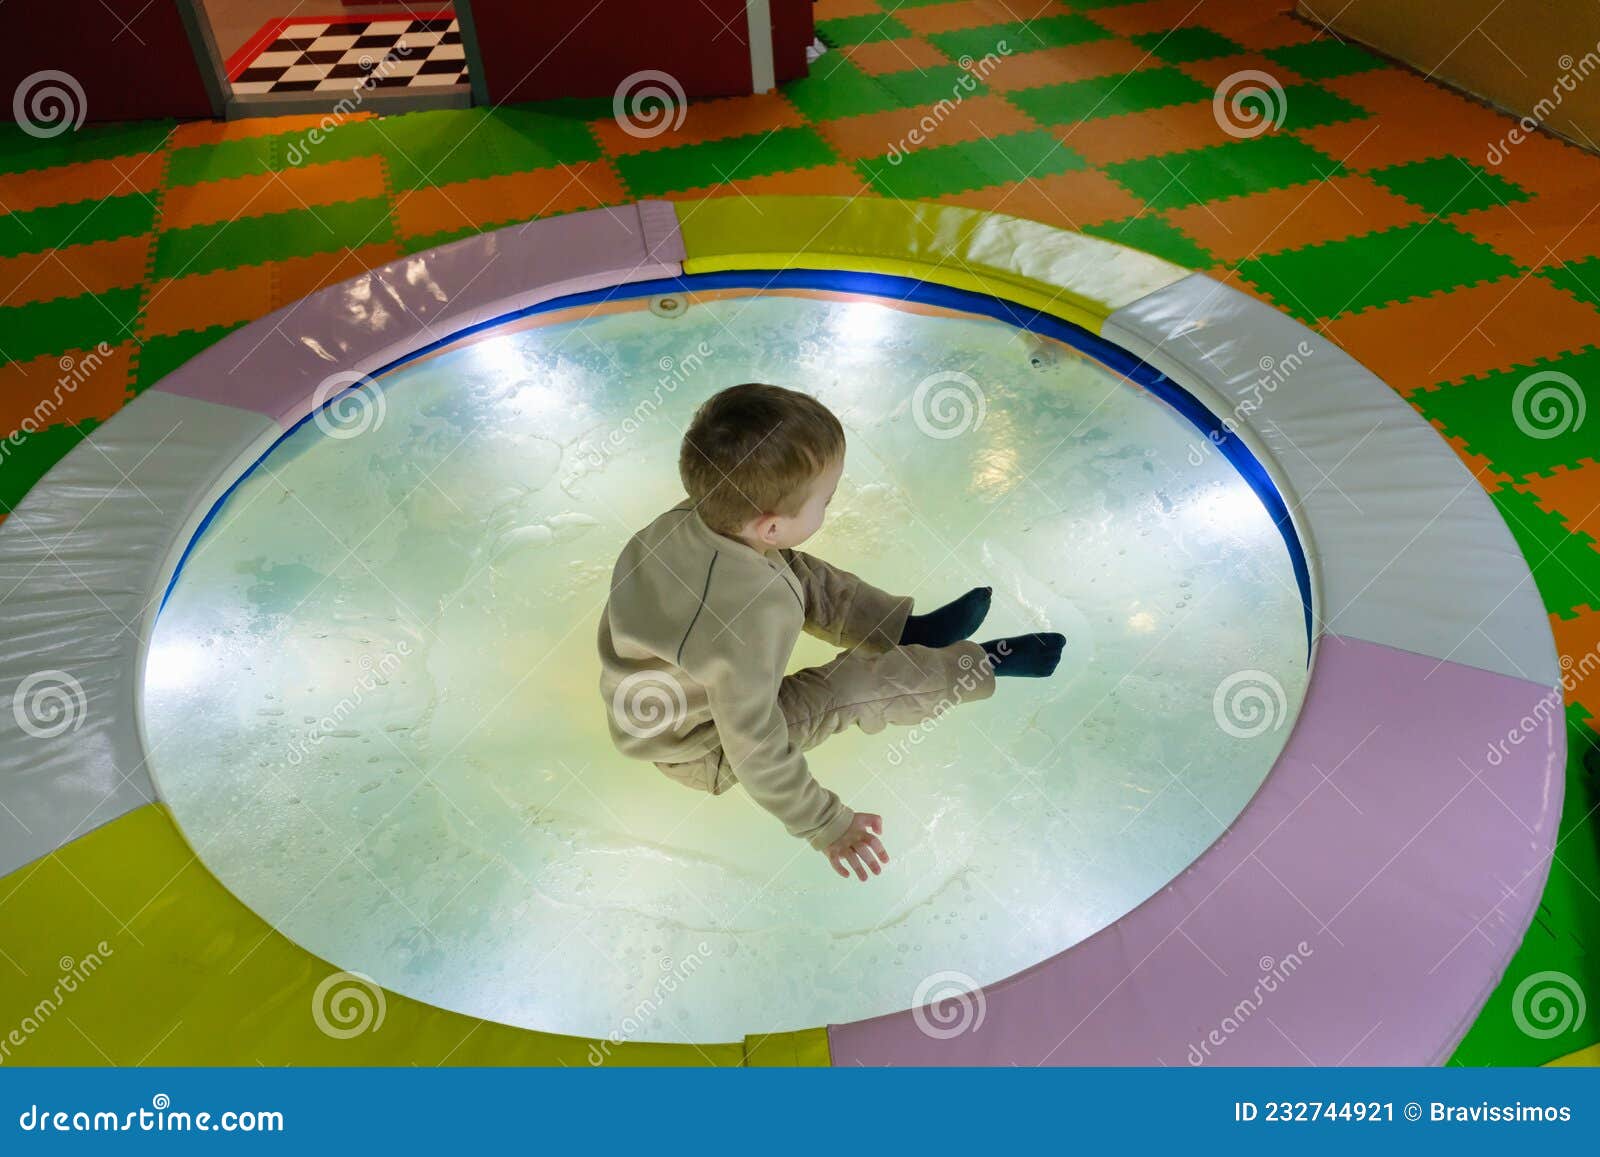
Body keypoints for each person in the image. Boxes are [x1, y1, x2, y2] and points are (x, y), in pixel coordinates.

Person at [597, 383, 1064, 882]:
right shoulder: (739, 627)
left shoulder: (696, 518)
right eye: (827, 501)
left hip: (692, 676)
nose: (830, 509)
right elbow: (753, 746)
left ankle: (907, 630)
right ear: (771, 525)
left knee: (798, 572)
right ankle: (974, 666)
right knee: (846, 690)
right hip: (703, 748)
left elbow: (757, 586)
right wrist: (826, 824)